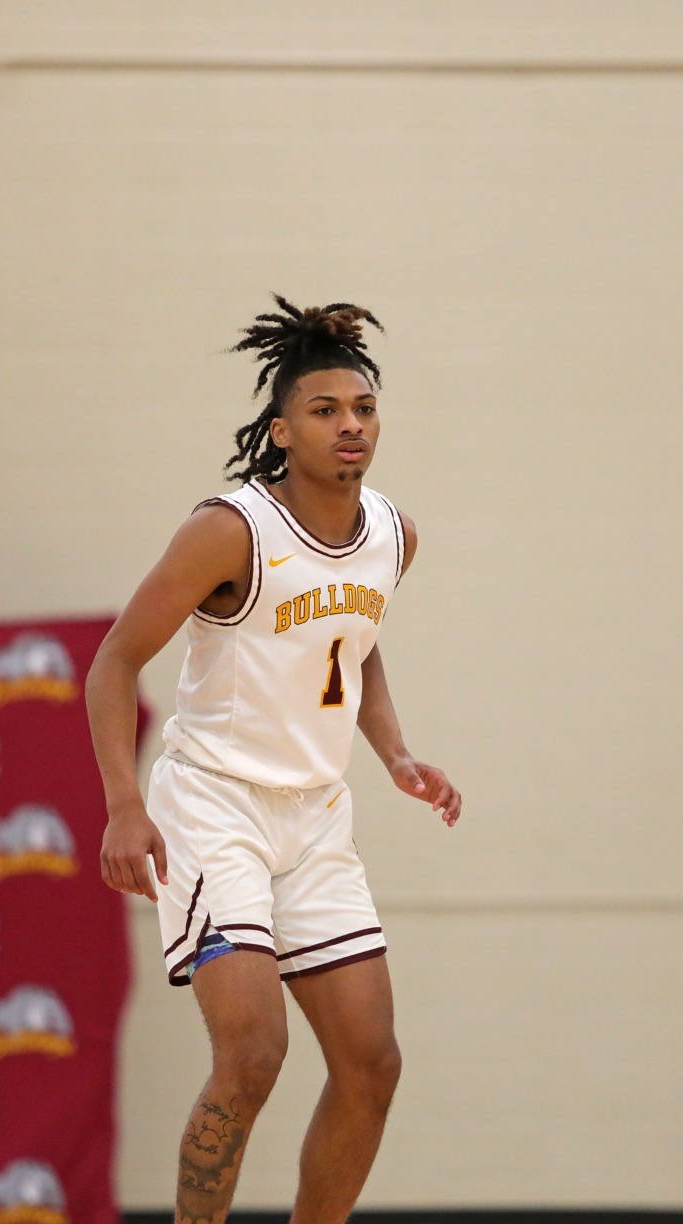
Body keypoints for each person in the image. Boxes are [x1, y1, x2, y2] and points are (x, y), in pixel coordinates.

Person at [85, 296, 461, 1224]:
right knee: (253, 1056)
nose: (350, 425)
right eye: (326, 410)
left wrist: (396, 753)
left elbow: (354, 642)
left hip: (316, 816)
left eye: (363, 409)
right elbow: (114, 662)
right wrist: (125, 804)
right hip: (214, 807)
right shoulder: (232, 530)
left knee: (373, 1064)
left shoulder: (393, 535)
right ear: (283, 429)